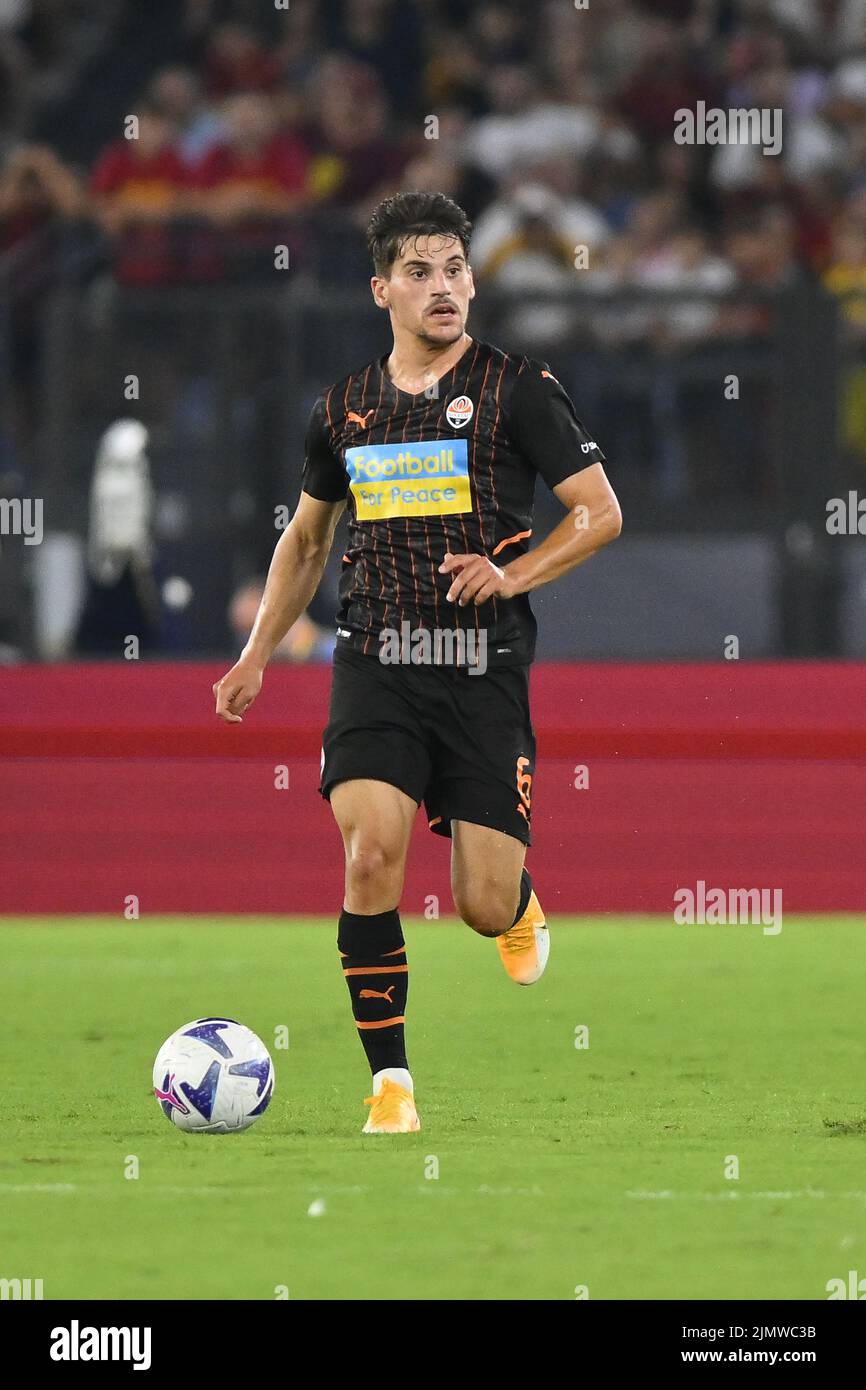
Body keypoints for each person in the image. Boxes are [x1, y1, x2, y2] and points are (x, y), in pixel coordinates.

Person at [213, 191, 621, 1134]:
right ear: (381, 289)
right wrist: (256, 655)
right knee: (370, 859)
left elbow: (599, 512)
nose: (443, 288)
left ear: (473, 280)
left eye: (455, 270)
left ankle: (515, 903)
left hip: (483, 667)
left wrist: (512, 572)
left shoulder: (519, 387)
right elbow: (307, 541)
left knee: (477, 904)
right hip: (377, 660)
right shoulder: (344, 410)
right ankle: (390, 1086)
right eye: (420, 273)